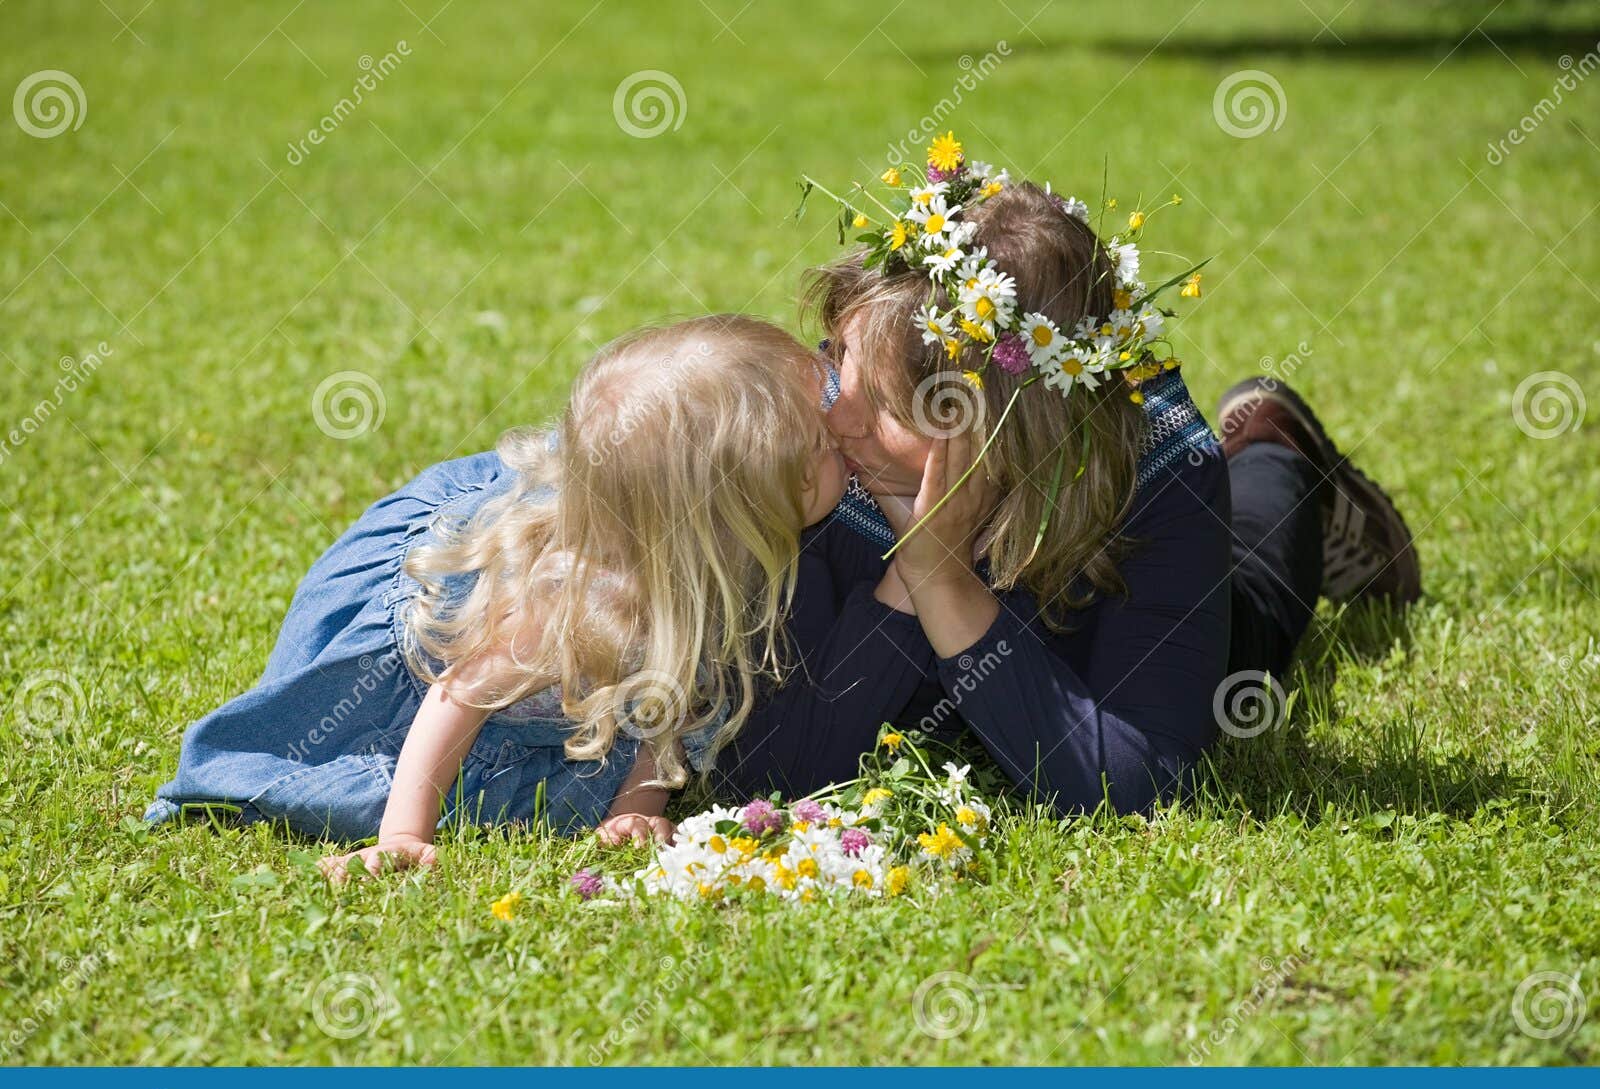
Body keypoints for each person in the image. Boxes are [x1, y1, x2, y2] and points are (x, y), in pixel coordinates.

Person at [720, 142, 1418, 814]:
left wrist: (941, 577)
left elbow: (1137, 782)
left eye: (885, 405)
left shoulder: (1155, 472)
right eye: (838, 354)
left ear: (1002, 430)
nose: (833, 411)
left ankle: (1275, 445)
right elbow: (780, 768)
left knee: (1254, 614)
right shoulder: (820, 465)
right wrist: (912, 572)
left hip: (1145, 621)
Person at [143, 316, 848, 874]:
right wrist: (403, 834)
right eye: (820, 440)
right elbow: (459, 696)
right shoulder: (568, 610)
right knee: (514, 793)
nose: (839, 434)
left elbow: (663, 707)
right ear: (736, 507)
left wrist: (634, 807)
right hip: (431, 661)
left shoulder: (701, 564)